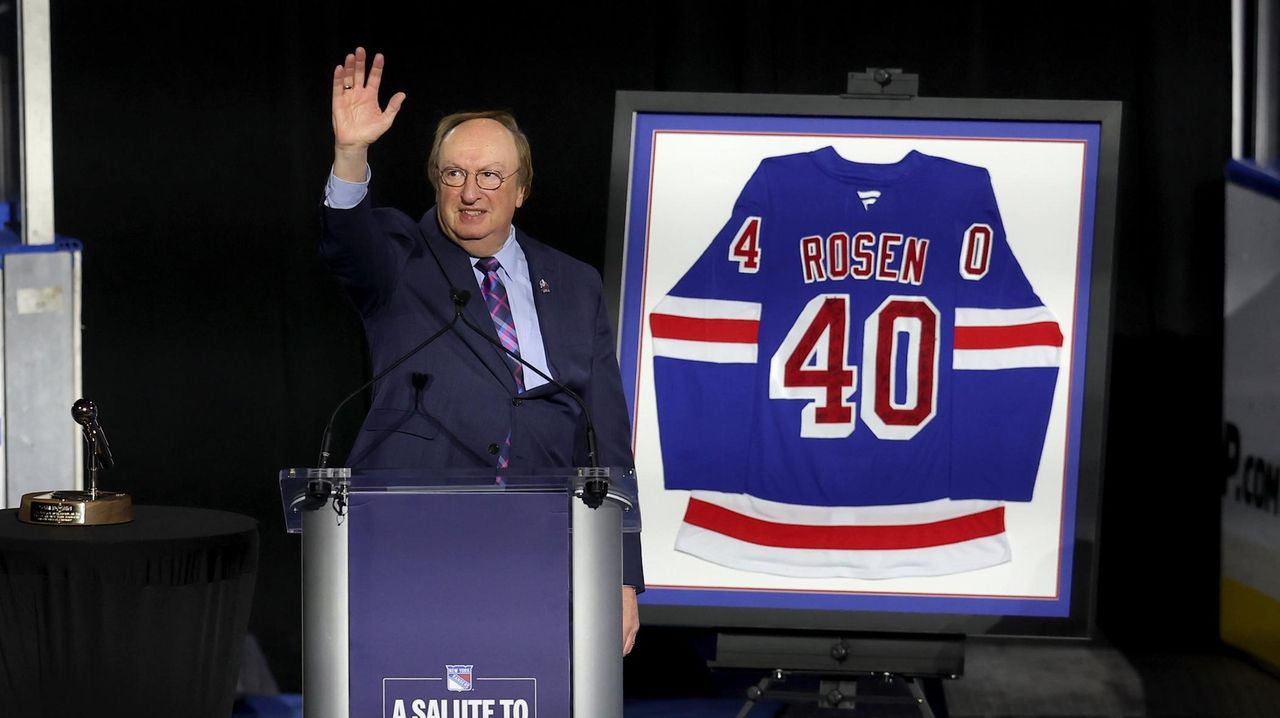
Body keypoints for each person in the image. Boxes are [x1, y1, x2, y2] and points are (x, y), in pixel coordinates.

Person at [320, 47, 641, 654]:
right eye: (454, 174)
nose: (471, 192)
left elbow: (606, 435)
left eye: (491, 175)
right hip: (412, 539)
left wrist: (622, 572)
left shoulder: (574, 283)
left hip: (542, 544)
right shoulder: (398, 258)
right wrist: (351, 154)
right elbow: (348, 242)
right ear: (436, 181)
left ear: (521, 189)